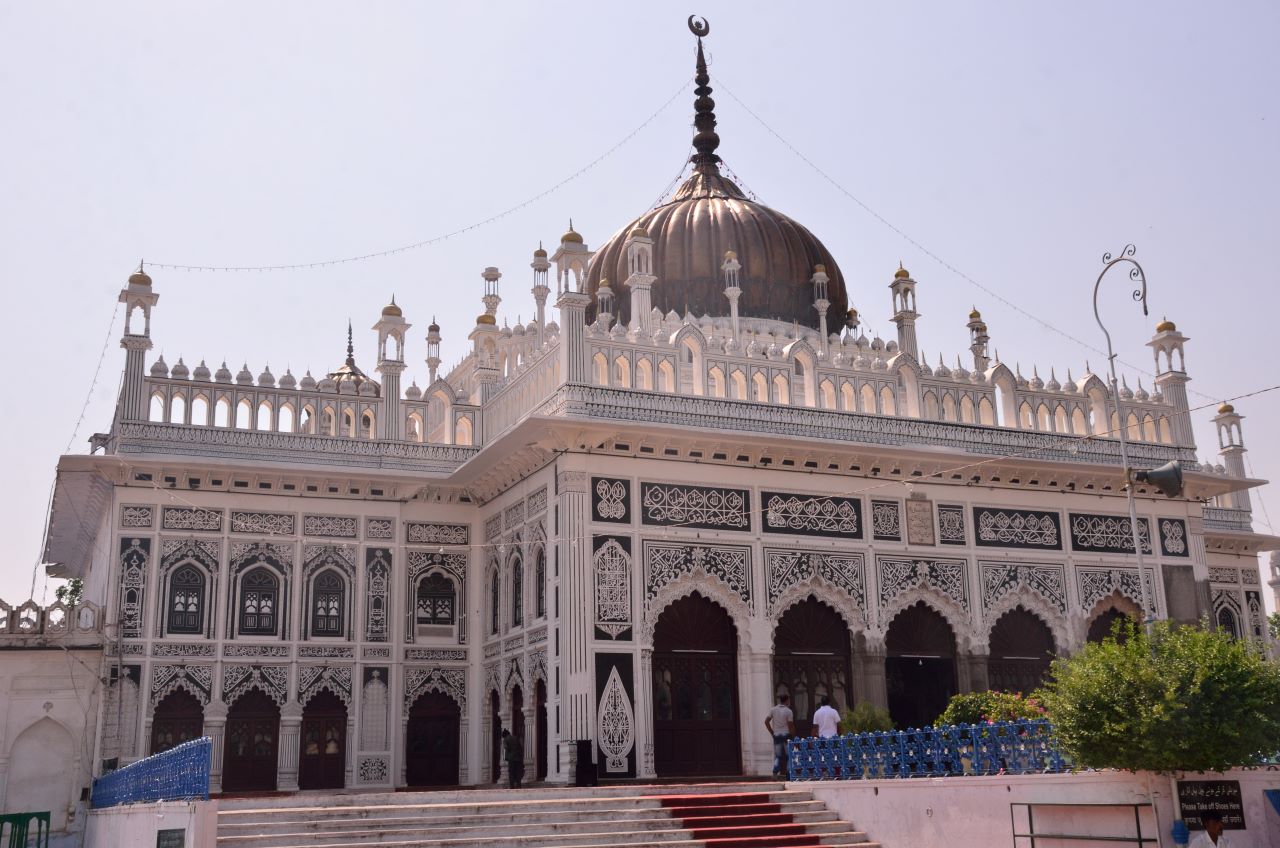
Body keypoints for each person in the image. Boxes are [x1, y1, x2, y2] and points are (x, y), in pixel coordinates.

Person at [764, 693, 796, 777]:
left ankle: (775, 772)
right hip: (786, 735)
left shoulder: (773, 710)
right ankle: (788, 774)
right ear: (787, 700)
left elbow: (766, 721)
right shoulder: (788, 711)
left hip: (777, 735)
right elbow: (790, 725)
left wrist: (772, 732)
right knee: (788, 755)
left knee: (778, 756)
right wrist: (793, 735)